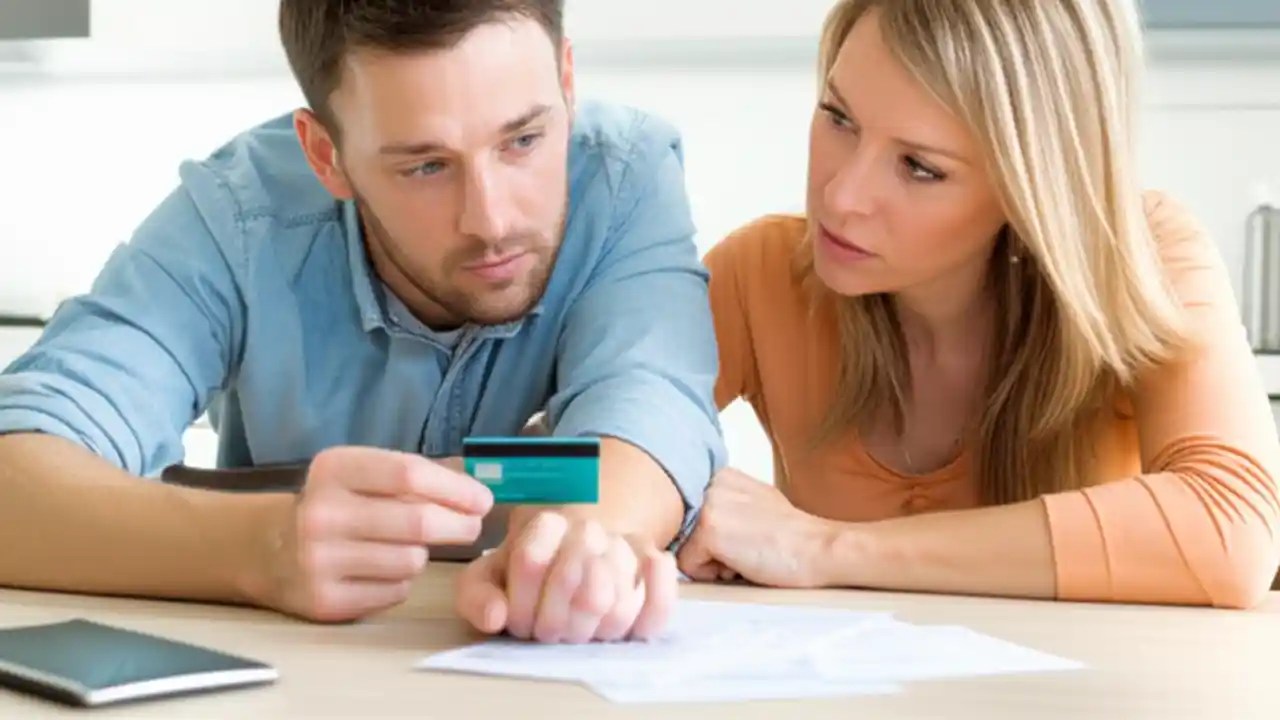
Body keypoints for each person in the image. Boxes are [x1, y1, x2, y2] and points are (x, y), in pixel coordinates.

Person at [0, 0, 726, 644]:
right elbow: (15, 479)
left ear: (567, 84)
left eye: (524, 141)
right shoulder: (238, 216)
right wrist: (266, 547)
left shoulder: (626, 176)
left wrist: (582, 542)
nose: (493, 220)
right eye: (426, 167)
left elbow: (647, 437)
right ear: (327, 154)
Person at [678, 0, 1280, 608]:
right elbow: (583, 456)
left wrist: (828, 549)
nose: (842, 195)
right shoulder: (763, 273)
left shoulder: (1139, 262)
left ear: (1032, 185)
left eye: (919, 167)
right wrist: (645, 506)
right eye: (839, 117)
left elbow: (1233, 529)